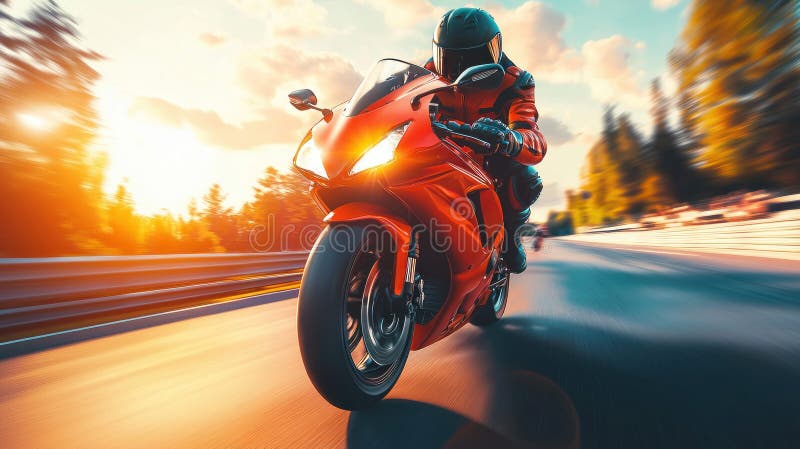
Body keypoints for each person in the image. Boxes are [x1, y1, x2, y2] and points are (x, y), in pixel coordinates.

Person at [425, 7, 547, 273]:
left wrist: (509, 138)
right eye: (451, 59)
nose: (461, 70)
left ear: (494, 50)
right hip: (442, 154)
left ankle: (511, 235)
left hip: (489, 161)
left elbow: (532, 135)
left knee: (524, 178)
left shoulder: (516, 82)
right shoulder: (423, 76)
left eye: (473, 58)